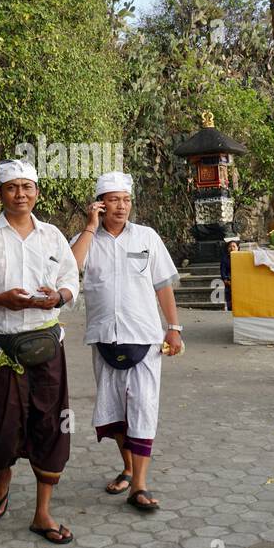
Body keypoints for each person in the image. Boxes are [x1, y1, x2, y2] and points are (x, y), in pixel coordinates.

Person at [0, 159, 79, 544]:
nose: (20, 194)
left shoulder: (53, 236)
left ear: (37, 193)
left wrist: (58, 296)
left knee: (50, 426)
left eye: (27, 187)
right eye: (12, 188)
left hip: (46, 349)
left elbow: (71, 282)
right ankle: (2, 472)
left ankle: (42, 513)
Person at [70, 172, 183, 513]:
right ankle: (129, 468)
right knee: (115, 411)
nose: (122, 207)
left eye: (126, 200)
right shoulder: (85, 239)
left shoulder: (147, 237)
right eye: (114, 200)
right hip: (104, 338)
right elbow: (69, 269)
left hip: (145, 338)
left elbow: (163, 284)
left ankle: (139, 485)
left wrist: (174, 327)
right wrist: (90, 227)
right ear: (100, 204)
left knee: (143, 408)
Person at [220, 238, 239, 311]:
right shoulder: (224, 259)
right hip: (229, 282)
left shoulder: (241, 257)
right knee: (230, 299)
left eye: (234, 246)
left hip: (240, 282)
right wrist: (226, 280)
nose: (232, 248)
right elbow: (222, 271)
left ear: (237, 248)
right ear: (227, 248)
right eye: (230, 246)